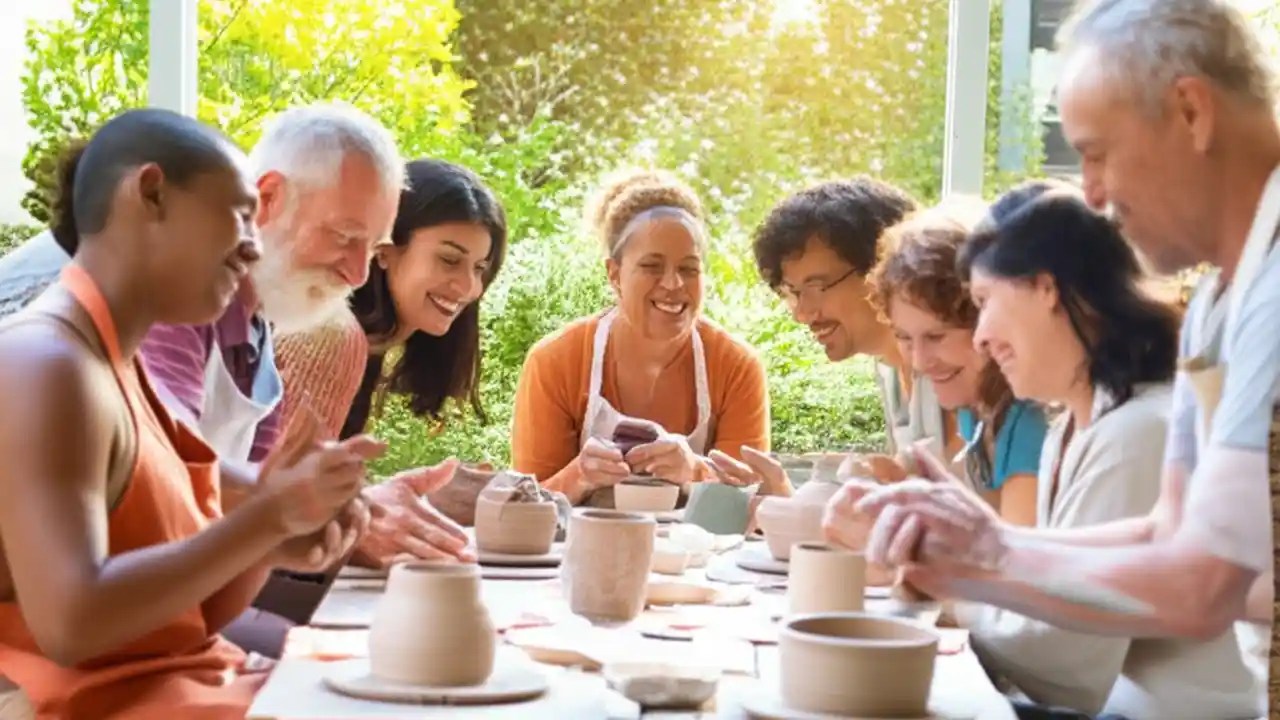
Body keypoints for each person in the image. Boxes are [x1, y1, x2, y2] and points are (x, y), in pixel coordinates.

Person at [826, 0, 1280, 707]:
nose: (1092, 194)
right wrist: (982, 544)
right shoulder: (1221, 301)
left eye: (1096, 153)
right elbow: (1170, 531)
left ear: (1191, 112)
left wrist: (984, 561)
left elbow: (1202, 590)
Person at [0, 105, 468, 655]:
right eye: (239, 216)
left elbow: (199, 616)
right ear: (151, 198)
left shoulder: (130, 369)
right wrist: (267, 517)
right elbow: (70, 626)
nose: (251, 246)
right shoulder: (48, 359)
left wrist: (274, 534)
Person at [274, 158, 507, 565]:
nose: (470, 286)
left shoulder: (361, 341)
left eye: (480, 268)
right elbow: (277, 503)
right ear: (384, 250)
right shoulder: (331, 332)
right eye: (449, 260)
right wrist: (361, 517)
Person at [511, 169, 770, 505]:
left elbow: (747, 509)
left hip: (697, 556)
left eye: (689, 268)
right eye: (652, 266)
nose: (674, 284)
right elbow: (524, 507)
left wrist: (694, 471)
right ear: (615, 274)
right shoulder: (556, 361)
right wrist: (581, 475)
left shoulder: (736, 366)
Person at [710, 177, 942, 494]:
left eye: (817, 287)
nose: (801, 313)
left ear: (883, 267)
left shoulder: (946, 369)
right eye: (792, 292)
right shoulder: (890, 371)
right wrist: (783, 495)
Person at [865, 203, 1046, 525]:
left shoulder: (1029, 419)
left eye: (937, 337)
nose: (919, 361)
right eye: (904, 338)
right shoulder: (975, 409)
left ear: (989, 321)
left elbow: (1012, 561)